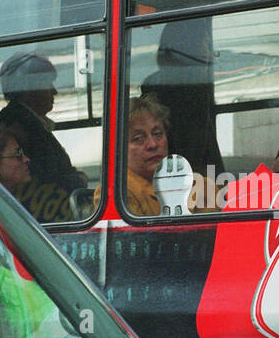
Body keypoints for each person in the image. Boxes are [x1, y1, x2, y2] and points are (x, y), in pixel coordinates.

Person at [0, 52, 88, 223]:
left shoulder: (28, 121)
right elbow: (44, 175)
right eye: (47, 84)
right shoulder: (19, 125)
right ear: (29, 88)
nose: (55, 91)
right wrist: (76, 180)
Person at [94, 94, 215, 216]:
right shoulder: (116, 193)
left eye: (157, 134)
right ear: (119, 149)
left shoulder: (201, 185)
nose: (152, 144)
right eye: (138, 138)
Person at [140, 19, 224, 178]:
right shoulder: (191, 85)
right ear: (189, 49)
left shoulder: (155, 82)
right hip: (181, 173)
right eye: (205, 45)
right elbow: (203, 144)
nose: (209, 53)